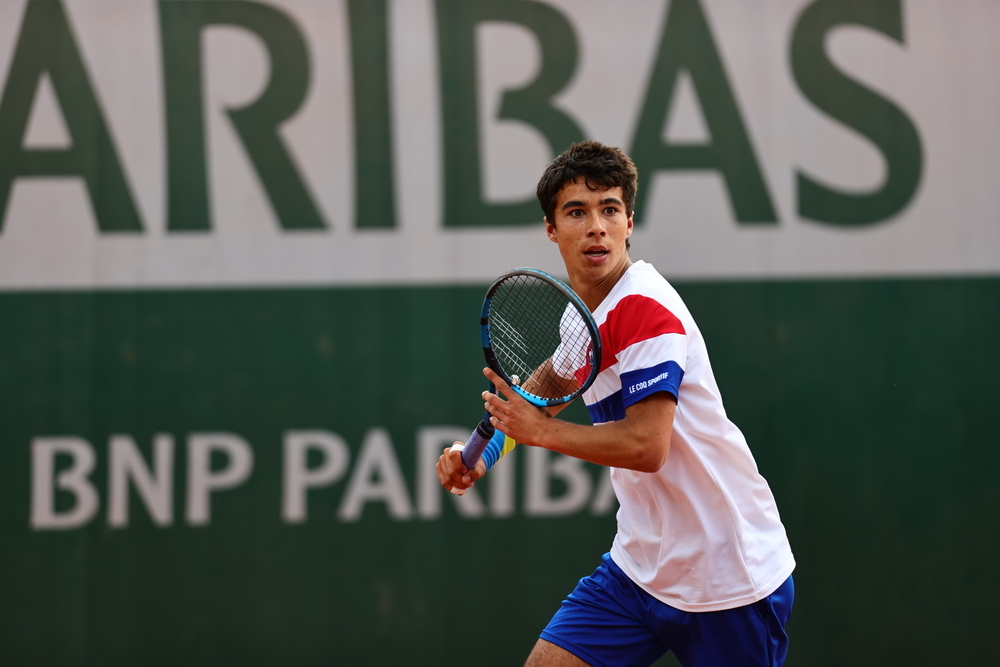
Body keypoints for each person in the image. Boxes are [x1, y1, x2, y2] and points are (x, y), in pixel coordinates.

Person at [437, 141, 795, 667]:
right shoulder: (583, 313)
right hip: (640, 566)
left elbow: (647, 447)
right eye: (576, 213)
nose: (596, 227)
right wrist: (480, 454)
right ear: (551, 229)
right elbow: (548, 389)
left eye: (609, 210)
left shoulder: (646, 308)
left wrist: (539, 433)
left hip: (726, 572)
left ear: (629, 223)